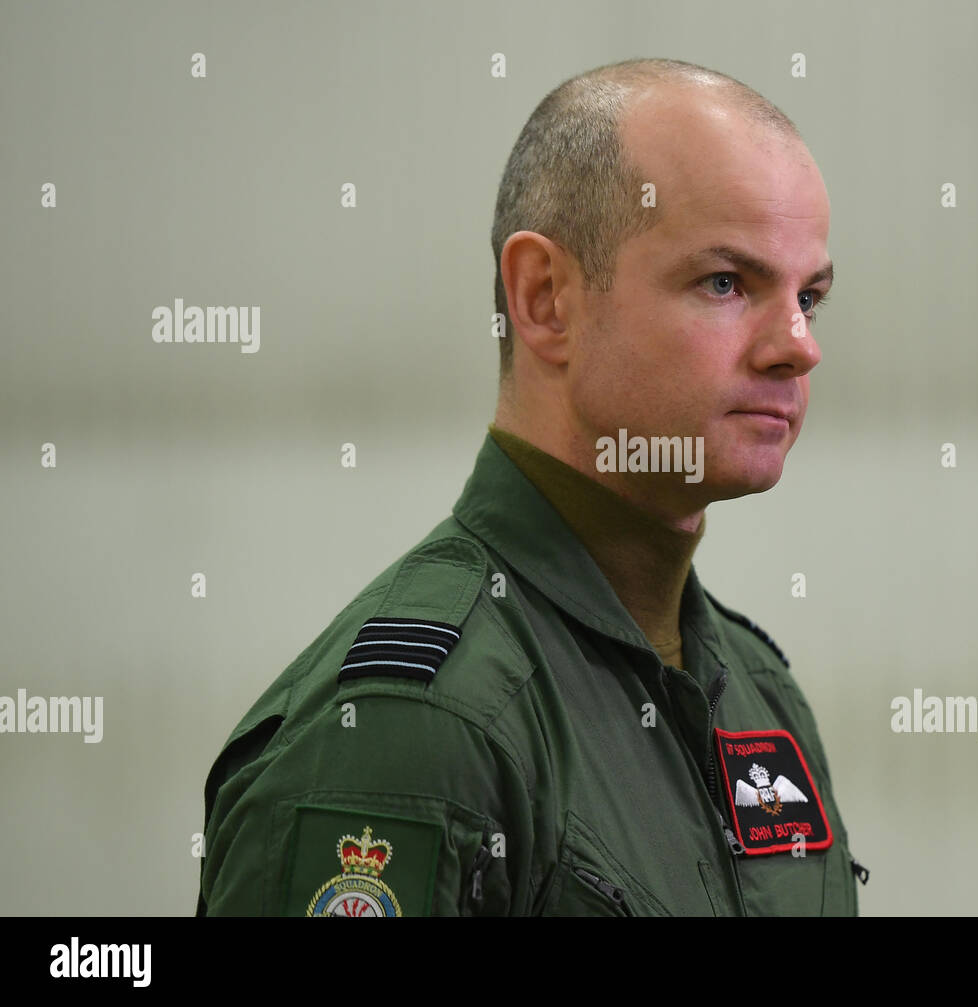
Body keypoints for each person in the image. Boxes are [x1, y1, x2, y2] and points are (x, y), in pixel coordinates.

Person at [198, 57, 868, 916]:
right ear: (545, 298)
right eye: (727, 282)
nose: (798, 344)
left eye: (810, 295)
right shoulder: (412, 732)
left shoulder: (756, 692)